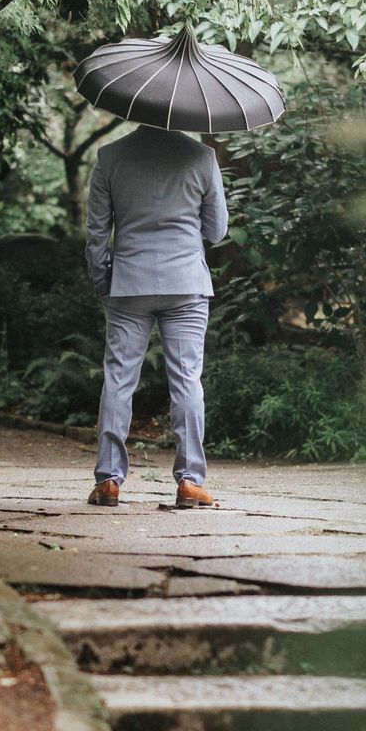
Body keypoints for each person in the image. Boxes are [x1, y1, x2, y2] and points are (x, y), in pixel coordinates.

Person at [84, 123, 228, 508]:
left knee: (118, 379)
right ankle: (191, 482)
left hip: (128, 283)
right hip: (186, 283)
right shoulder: (202, 156)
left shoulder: (110, 156)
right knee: (186, 380)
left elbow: (97, 231)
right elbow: (216, 230)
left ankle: (110, 480)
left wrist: (102, 280)